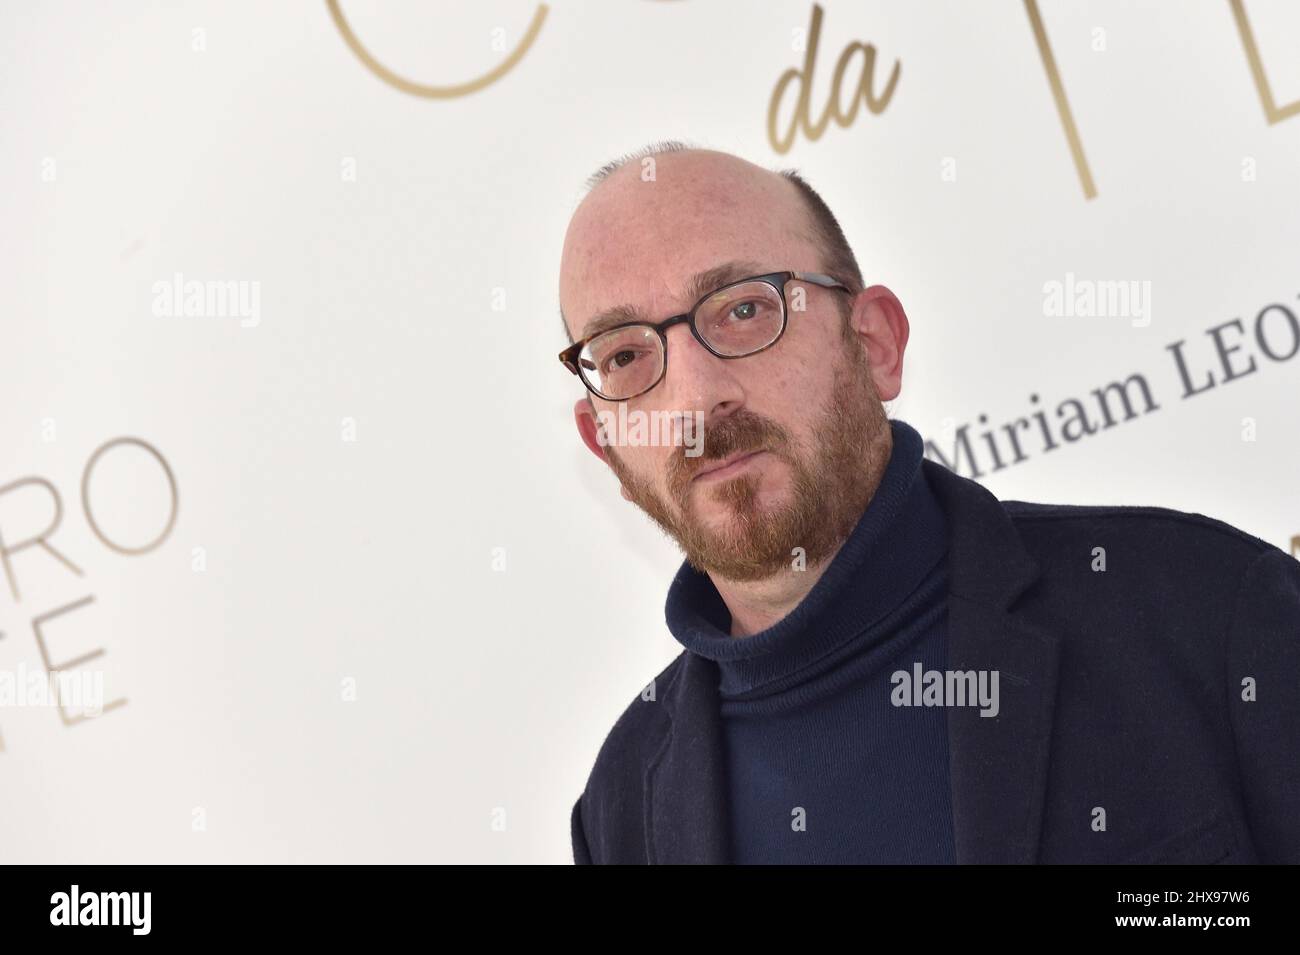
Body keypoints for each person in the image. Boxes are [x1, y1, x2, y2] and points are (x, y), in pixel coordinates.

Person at [557, 142, 1300, 864]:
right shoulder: (621, 811)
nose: (694, 398)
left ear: (876, 343)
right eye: (624, 355)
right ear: (606, 446)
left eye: (744, 310)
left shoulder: (1211, 610)